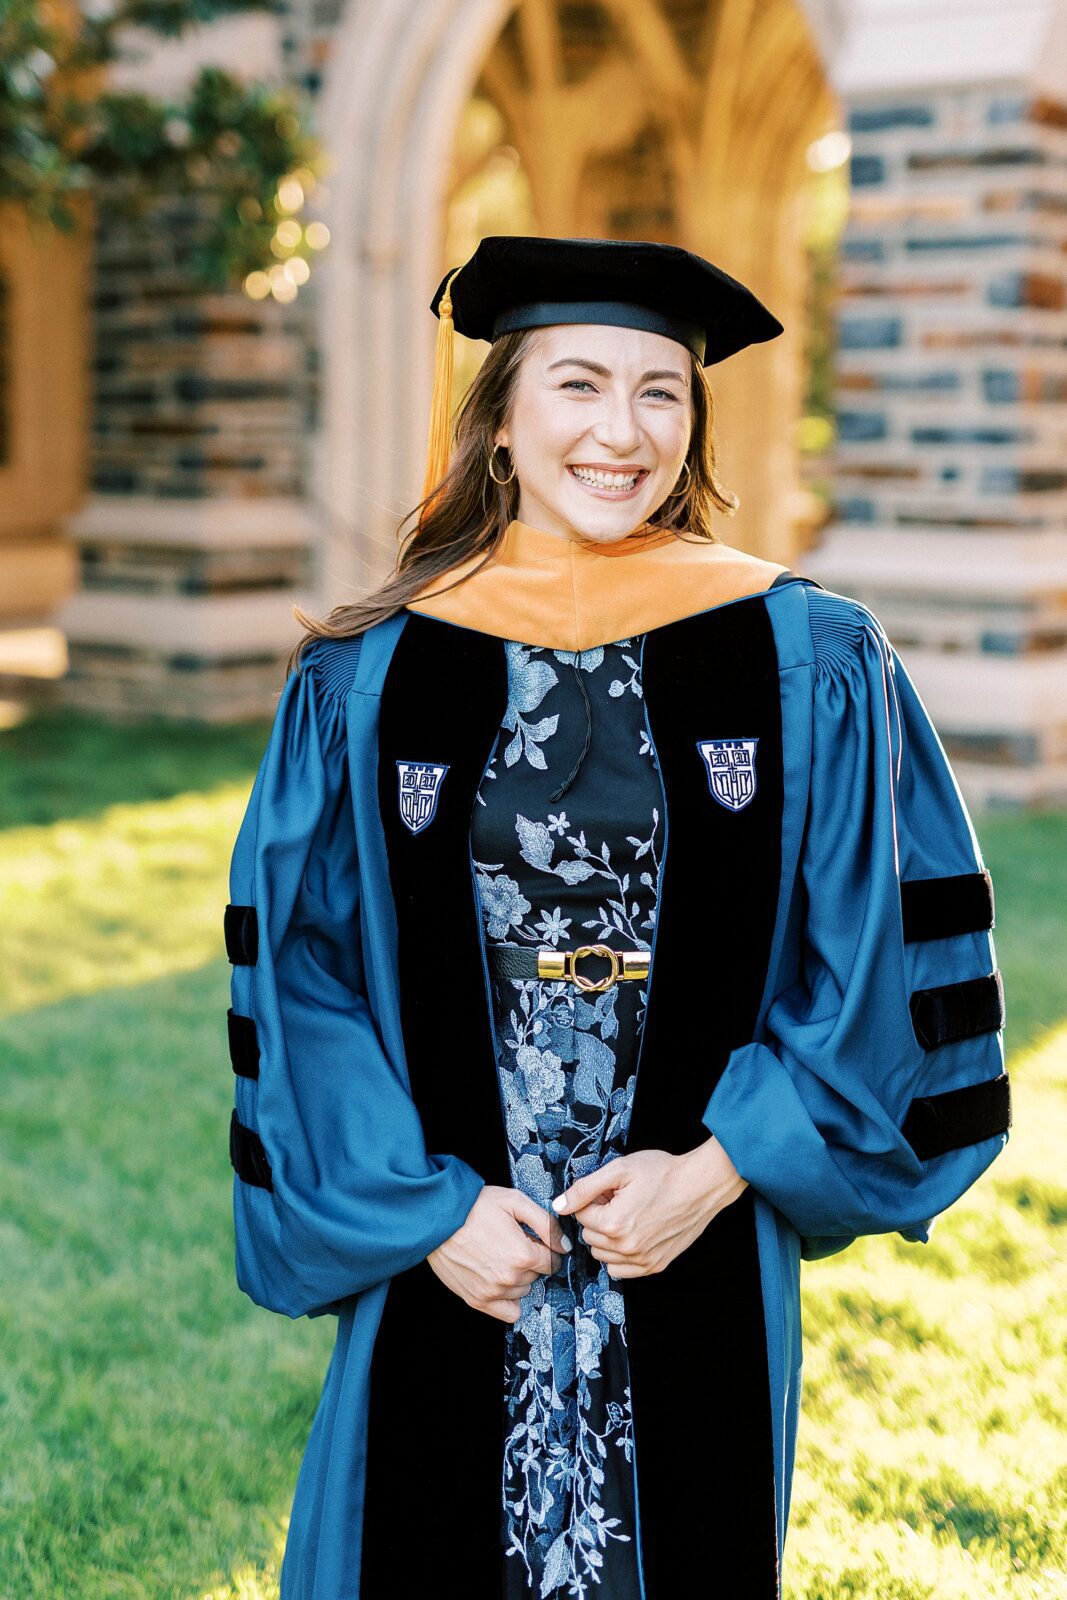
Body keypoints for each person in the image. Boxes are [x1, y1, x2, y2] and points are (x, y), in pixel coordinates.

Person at [223, 235, 1011, 1600]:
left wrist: (714, 1171)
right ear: (503, 422)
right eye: (578, 385)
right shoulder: (372, 672)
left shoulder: (805, 653)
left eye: (662, 393)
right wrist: (426, 1212)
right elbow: (307, 971)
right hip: (458, 1221)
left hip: (691, 1216)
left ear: (694, 426)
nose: (620, 430)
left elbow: (876, 958)